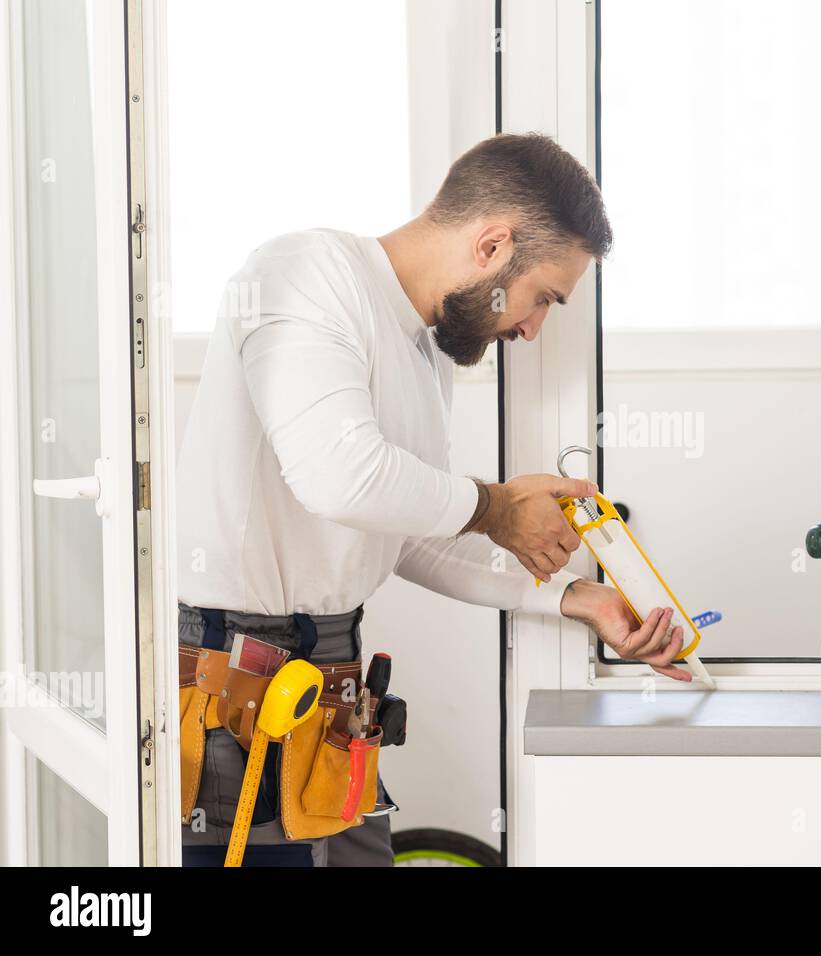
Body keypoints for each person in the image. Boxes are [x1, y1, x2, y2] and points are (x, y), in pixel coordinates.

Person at [176, 133, 691, 867]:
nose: (532, 327)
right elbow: (337, 474)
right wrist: (495, 507)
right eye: (543, 296)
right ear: (492, 246)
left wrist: (578, 599)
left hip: (331, 688)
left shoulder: (422, 353)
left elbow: (406, 530)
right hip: (236, 681)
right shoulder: (304, 275)